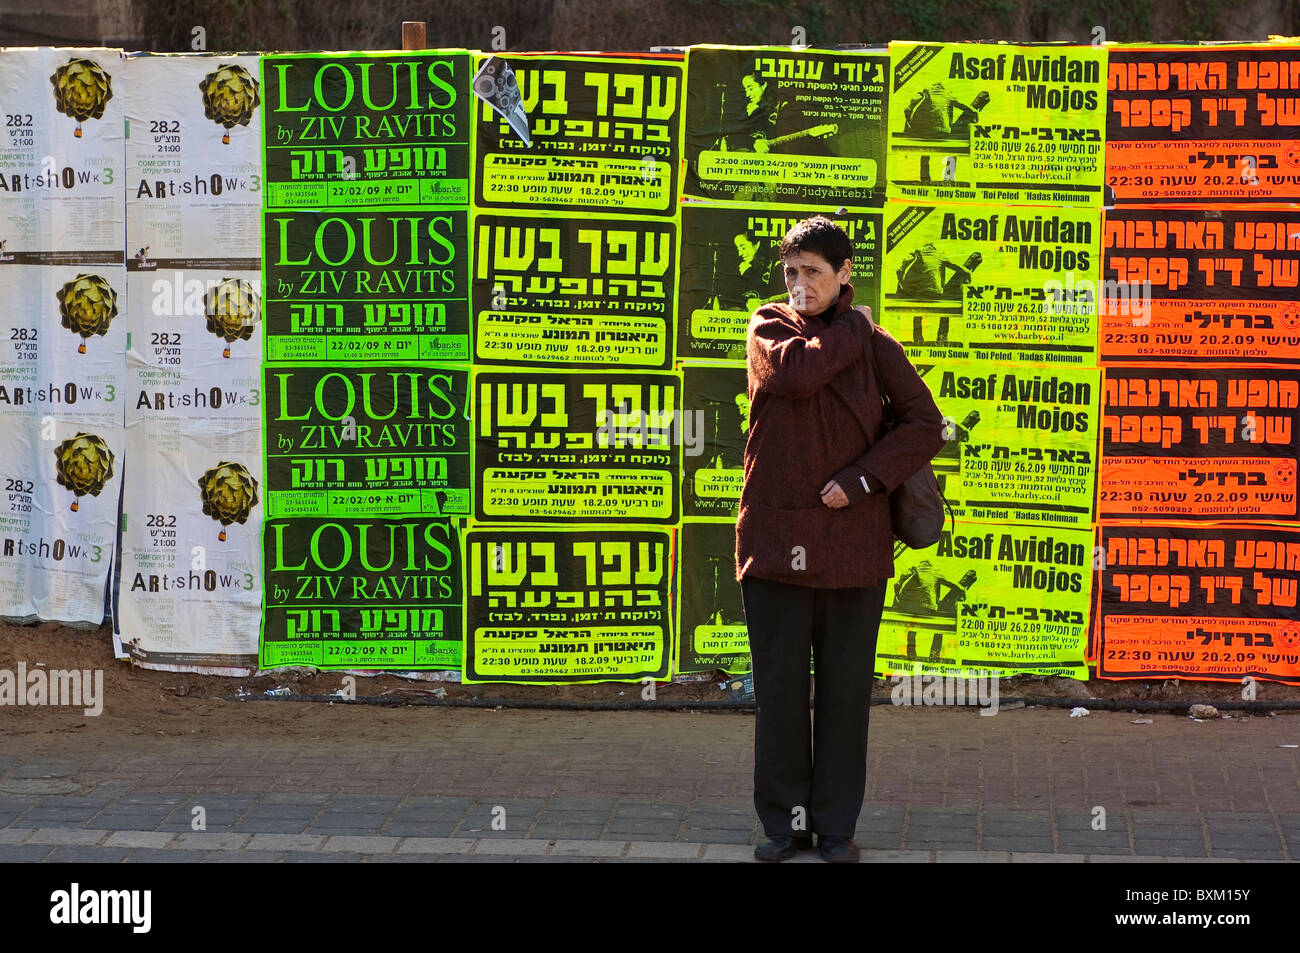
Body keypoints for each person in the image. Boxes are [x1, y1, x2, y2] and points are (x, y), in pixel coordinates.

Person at [735, 216, 945, 862]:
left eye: (813, 273)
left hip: (853, 550)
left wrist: (860, 481)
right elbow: (800, 375)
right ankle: (784, 826)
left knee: (845, 695)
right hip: (775, 547)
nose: (799, 286)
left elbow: (925, 424)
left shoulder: (874, 343)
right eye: (791, 272)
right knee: (780, 694)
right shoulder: (769, 328)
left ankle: (834, 828)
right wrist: (855, 326)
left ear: (845, 272)